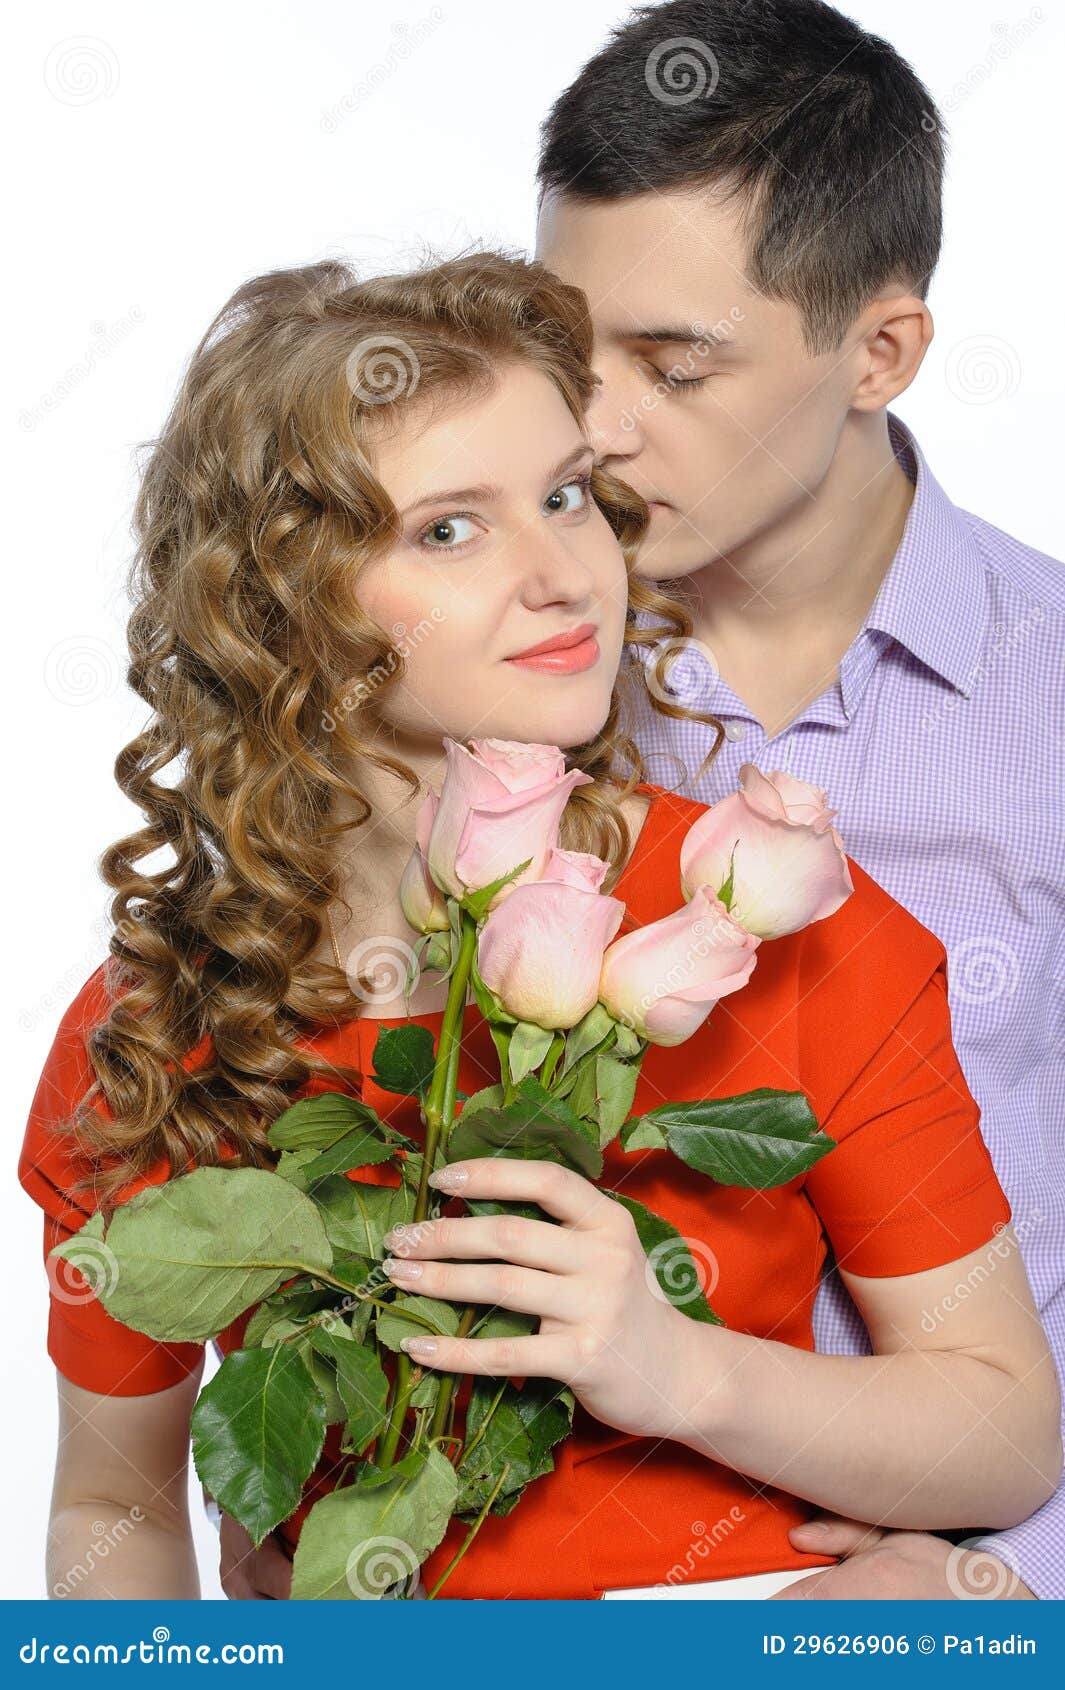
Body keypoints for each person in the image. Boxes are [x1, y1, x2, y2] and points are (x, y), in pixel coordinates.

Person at [19, 251, 1059, 1602]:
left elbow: (1002, 1437)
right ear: (283, 606)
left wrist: (678, 1369)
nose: (563, 571)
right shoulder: (154, 1029)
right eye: (449, 528)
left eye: (565, 495)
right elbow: (114, 1500)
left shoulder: (766, 904)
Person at [534, 0, 1065, 1600]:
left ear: (878, 351)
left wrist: (1003, 1587)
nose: (597, 429)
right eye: (567, 350)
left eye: (674, 365)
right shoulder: (495, 689)